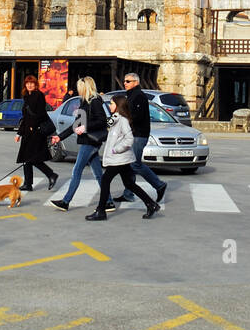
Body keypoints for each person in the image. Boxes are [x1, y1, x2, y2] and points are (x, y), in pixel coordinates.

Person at [85, 94, 159, 221]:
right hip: (120, 158)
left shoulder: (123, 120)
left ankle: (101, 211)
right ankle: (151, 204)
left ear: (118, 105)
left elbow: (129, 139)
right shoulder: (115, 117)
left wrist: (116, 149)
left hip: (119, 157)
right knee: (129, 184)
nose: (110, 105)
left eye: (112, 103)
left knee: (105, 180)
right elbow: (106, 127)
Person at [50, 77, 108, 212]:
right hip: (88, 141)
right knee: (98, 174)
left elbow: (102, 121)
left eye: (80, 87)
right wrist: (59, 137)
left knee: (76, 171)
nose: (77, 90)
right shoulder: (84, 102)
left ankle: (66, 201)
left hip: (91, 141)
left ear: (86, 87)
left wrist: (85, 127)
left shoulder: (95, 101)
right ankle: (109, 201)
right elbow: (76, 124)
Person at [118, 73, 169, 206]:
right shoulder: (131, 95)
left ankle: (159, 185)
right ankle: (128, 194)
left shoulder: (138, 96)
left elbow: (137, 117)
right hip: (134, 134)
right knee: (129, 164)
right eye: (124, 81)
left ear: (136, 82)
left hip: (139, 135)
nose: (125, 83)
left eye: (128, 81)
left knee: (135, 164)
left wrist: (123, 122)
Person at [14, 74, 58, 191]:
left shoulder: (38, 95)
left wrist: (33, 126)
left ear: (35, 84)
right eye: (27, 83)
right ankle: (28, 184)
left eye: (31, 83)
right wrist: (19, 133)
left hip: (36, 132)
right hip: (27, 133)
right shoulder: (26, 97)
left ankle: (51, 174)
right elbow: (25, 118)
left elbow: (41, 114)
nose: (29, 85)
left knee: (32, 158)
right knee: (26, 158)